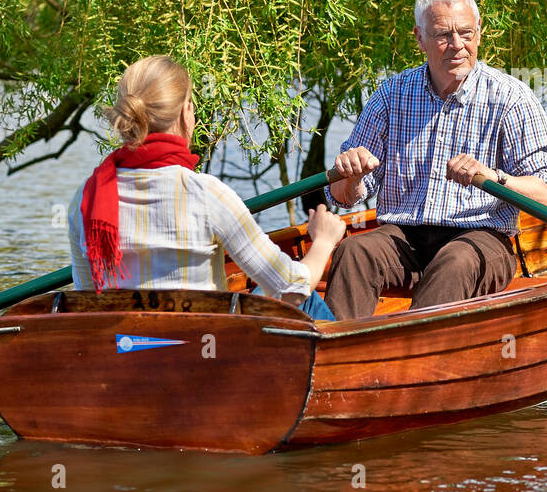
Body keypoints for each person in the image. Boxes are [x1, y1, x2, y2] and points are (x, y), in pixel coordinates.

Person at [324, 0, 547, 319]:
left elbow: (545, 194)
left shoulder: (511, 98)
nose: (457, 46)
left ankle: (412, 360)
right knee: (354, 250)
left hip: (482, 237)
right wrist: (351, 176)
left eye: (465, 33)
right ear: (419, 38)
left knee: (455, 262)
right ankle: (336, 357)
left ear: (479, 32)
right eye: (443, 35)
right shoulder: (391, 96)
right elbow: (342, 197)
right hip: (402, 236)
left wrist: (492, 177)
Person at [68, 55, 343, 320]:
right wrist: (323, 241)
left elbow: (88, 303)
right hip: (202, 352)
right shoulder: (206, 194)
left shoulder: (86, 198)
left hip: (124, 349)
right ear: (187, 114)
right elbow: (291, 289)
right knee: (305, 299)